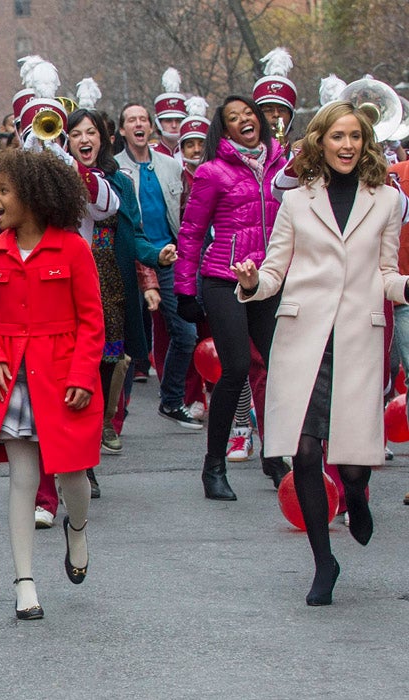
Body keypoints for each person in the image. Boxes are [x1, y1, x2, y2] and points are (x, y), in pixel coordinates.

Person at [231, 102, 406, 605]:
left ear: (365, 141)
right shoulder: (297, 201)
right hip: (304, 338)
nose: (347, 145)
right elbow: (273, 273)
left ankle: (354, 493)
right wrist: (250, 281)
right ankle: (323, 562)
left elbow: (387, 274)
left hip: (356, 338)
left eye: (355, 136)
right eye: (337, 137)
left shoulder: (386, 201)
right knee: (304, 451)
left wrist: (407, 287)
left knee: (351, 463)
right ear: (321, 142)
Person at [0, 148, 103, 621]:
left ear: (34, 196)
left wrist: (85, 375)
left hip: (65, 379)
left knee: (72, 475)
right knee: (22, 479)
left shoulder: (73, 248)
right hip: (14, 381)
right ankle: (24, 582)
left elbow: (92, 321)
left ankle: (78, 527)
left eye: (5, 191)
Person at [175, 95, 289, 499]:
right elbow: (191, 232)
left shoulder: (283, 164)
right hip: (224, 279)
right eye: (233, 118)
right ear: (223, 130)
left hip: (270, 279)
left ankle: (276, 459)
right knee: (238, 367)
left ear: (259, 120)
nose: (244, 120)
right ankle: (214, 467)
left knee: (279, 371)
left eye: (248, 114)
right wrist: (184, 289)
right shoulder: (212, 172)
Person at [66, 108, 177, 464]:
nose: (85, 140)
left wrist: (158, 256)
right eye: (76, 134)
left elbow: (137, 236)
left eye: (91, 132)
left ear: (104, 137)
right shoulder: (60, 178)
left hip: (113, 284)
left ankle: (106, 421)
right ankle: (81, 442)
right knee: (75, 362)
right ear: (66, 141)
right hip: (68, 285)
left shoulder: (121, 182)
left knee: (111, 361)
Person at [115, 104, 201, 431]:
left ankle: (171, 399)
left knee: (186, 333)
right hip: (129, 259)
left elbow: (186, 213)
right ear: (122, 131)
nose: (138, 125)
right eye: (131, 120)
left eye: (143, 120)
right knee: (123, 342)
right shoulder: (116, 169)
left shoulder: (170, 166)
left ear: (150, 128)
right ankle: (115, 418)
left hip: (168, 256)